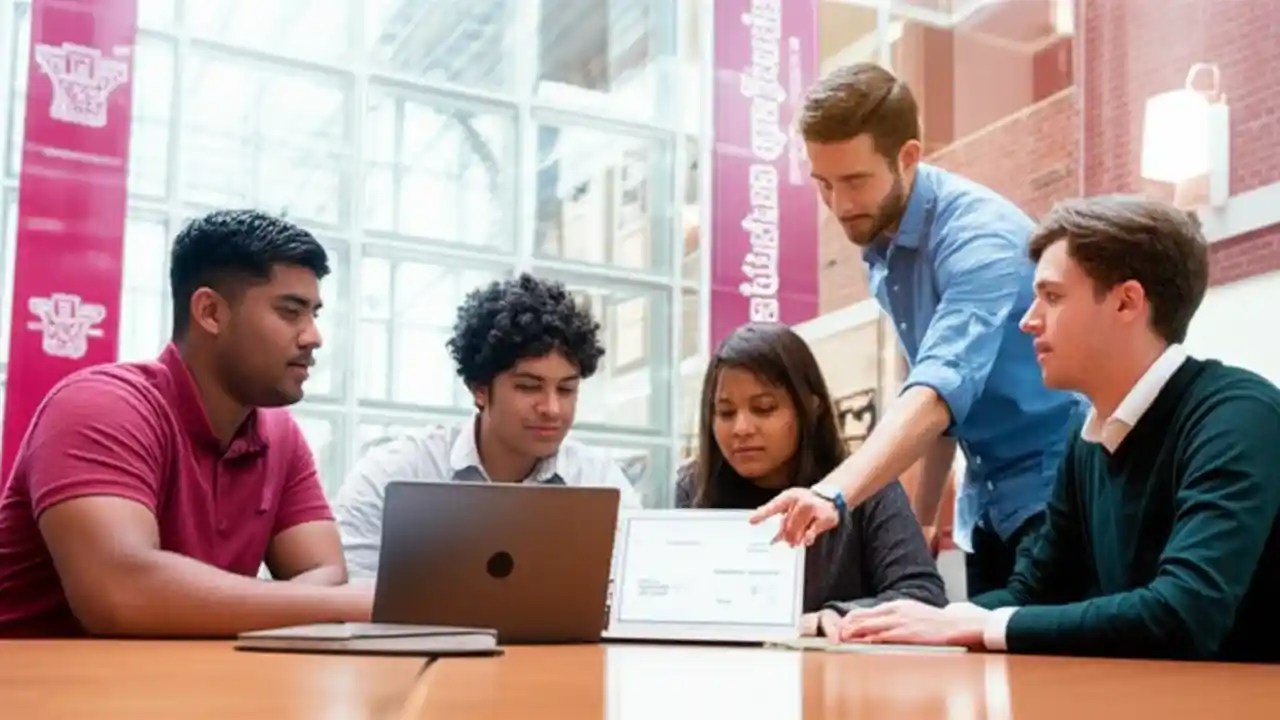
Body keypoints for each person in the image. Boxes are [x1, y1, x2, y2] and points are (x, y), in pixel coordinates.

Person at [834, 196, 1280, 661]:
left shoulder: (1238, 417)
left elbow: (1184, 614)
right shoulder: (1083, 439)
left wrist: (982, 624)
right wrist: (905, 622)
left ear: (1126, 302)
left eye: (1052, 297)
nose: (1029, 321)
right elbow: (1034, 592)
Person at [751, 62, 1079, 595]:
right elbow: (931, 396)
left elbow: (938, 392)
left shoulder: (980, 239)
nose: (840, 205)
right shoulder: (882, 239)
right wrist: (921, 520)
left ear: (908, 157)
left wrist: (832, 493)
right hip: (988, 502)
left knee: (1032, 645)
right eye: (824, 184)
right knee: (985, 645)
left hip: (1059, 493)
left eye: (855, 181)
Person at [0, 209, 371, 638]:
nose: (313, 337)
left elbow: (326, 570)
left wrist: (322, 601)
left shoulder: (280, 435)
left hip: (177, 676)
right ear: (210, 312)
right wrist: (349, 604)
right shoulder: (100, 406)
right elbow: (120, 593)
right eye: (291, 312)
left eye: (314, 315)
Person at [334, 273, 641, 580]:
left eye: (566, 390)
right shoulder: (393, 475)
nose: (552, 409)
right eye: (528, 387)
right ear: (479, 389)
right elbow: (352, 590)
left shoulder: (600, 481)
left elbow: (637, 591)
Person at [677, 323, 945, 637]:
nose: (741, 428)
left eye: (764, 408)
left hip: (838, 666)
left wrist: (834, 618)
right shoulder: (693, 489)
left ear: (811, 407)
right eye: (725, 412)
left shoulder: (867, 487)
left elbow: (922, 596)